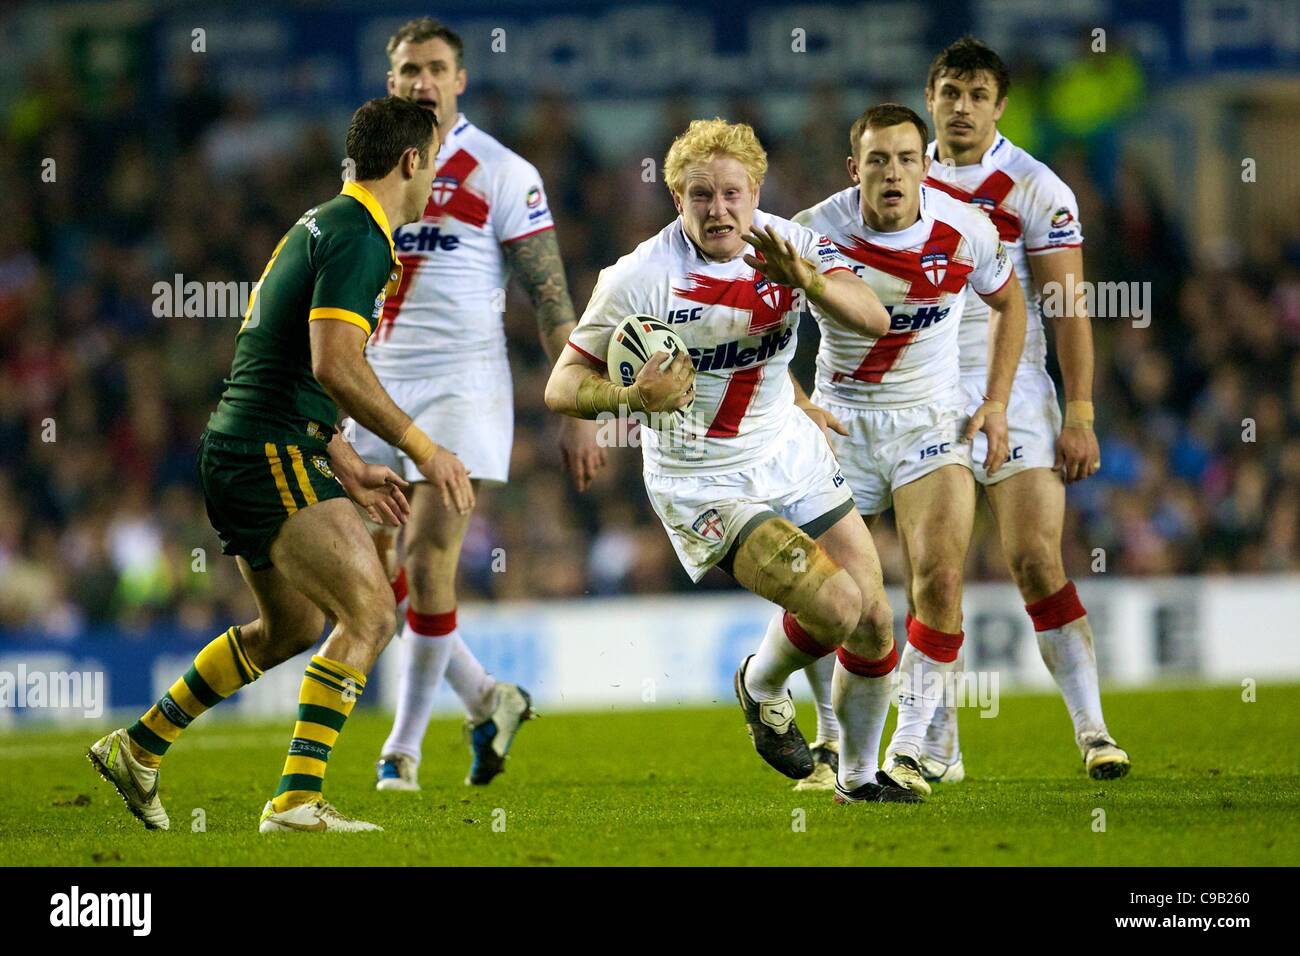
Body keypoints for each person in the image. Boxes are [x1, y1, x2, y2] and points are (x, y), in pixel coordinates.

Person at [87, 96, 474, 833]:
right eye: (435, 160)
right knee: (369, 614)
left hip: (244, 442)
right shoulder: (361, 235)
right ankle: (296, 801)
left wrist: (347, 457)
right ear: (411, 161)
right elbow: (335, 363)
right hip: (268, 448)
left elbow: (285, 362)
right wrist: (423, 447)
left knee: (291, 626)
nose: (435, 176)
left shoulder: (322, 221)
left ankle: (139, 748)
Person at [545, 118, 918, 804]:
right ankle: (761, 683)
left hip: (788, 449)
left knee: (872, 615)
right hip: (702, 479)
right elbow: (561, 386)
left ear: (757, 192)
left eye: (731, 194)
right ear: (675, 200)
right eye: (700, 196)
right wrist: (629, 395)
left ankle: (860, 780)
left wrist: (806, 277)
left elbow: (873, 317)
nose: (718, 209)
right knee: (836, 605)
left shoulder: (789, 244)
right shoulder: (638, 278)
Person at [354, 17, 604, 791]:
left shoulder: (503, 172)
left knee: (428, 563)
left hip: (464, 388)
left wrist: (577, 407)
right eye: (407, 71)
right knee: (363, 574)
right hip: (370, 386)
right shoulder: (365, 166)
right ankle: (490, 697)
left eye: (434, 68)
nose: (420, 82)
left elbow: (552, 299)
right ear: (390, 81)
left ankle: (402, 751)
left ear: (461, 80)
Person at [794, 103, 1026, 797]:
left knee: (940, 582)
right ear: (853, 167)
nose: (892, 172)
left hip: (929, 422)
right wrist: (793, 399)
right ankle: (832, 744)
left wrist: (994, 401)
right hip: (838, 427)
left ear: (925, 165)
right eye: (877, 160)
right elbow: (757, 318)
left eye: (904, 159)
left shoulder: (966, 229)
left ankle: (911, 750)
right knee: (835, 599)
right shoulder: (810, 231)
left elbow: (1011, 305)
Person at [920, 36, 1129, 781]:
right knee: (934, 575)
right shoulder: (904, 180)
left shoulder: (1037, 186)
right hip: (925, 393)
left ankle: (1094, 731)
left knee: (1035, 559)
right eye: (951, 92)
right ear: (930, 98)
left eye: (978, 95)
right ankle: (938, 745)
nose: (963, 107)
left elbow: (1069, 308)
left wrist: (1081, 412)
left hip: (1019, 392)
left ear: (1000, 106)